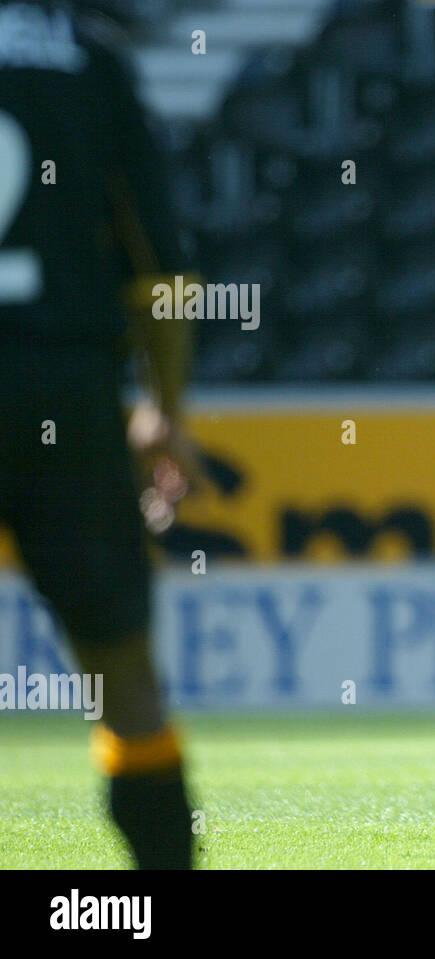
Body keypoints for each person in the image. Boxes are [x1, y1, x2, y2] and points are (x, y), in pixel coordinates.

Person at [0, 0, 200, 867]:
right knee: (122, 673)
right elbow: (161, 263)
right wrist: (165, 406)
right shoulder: (89, 59)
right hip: (63, 387)